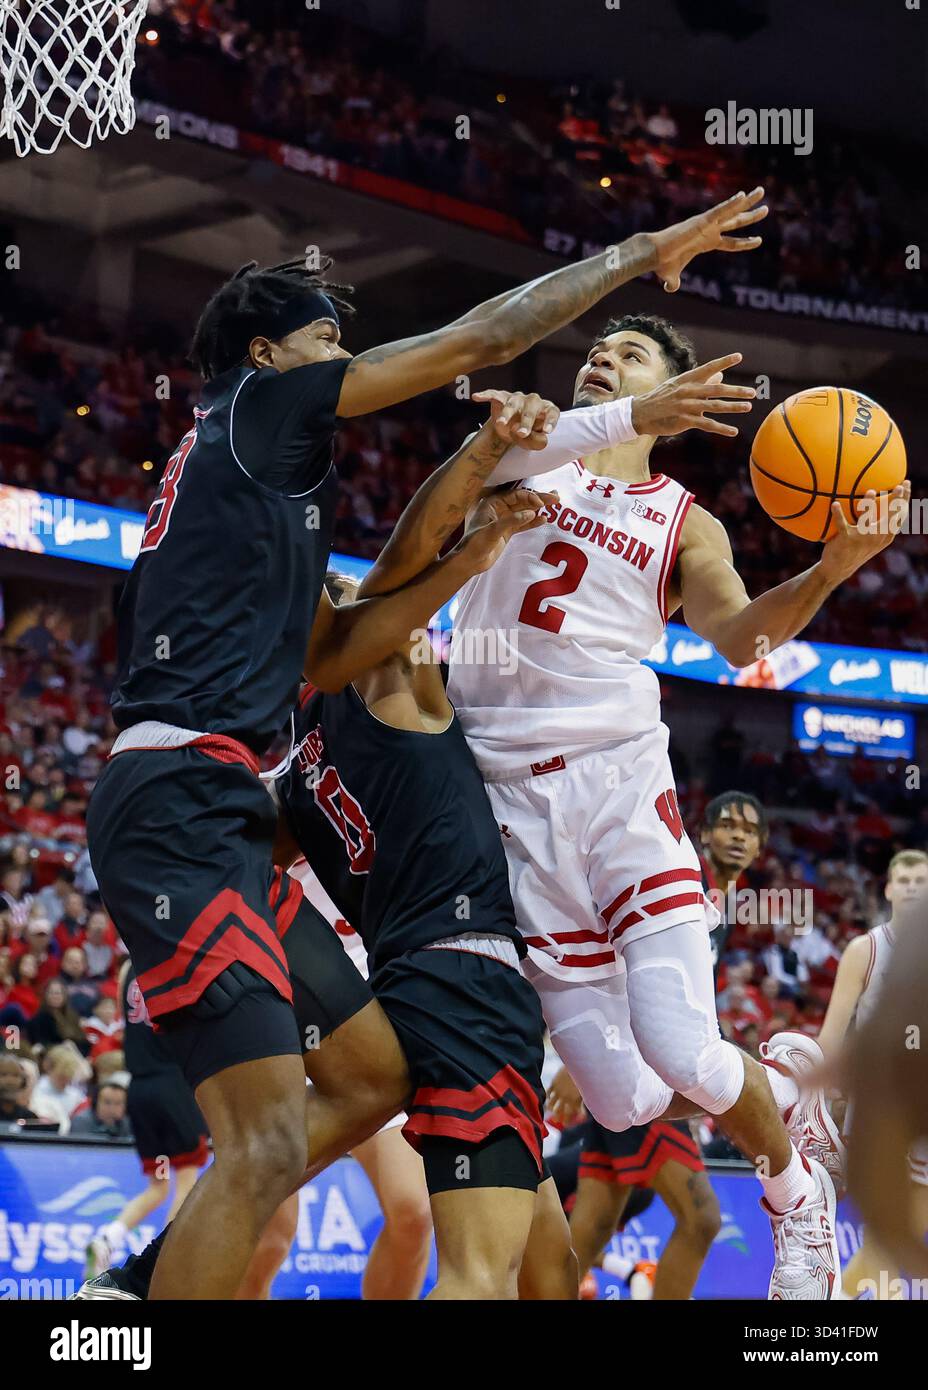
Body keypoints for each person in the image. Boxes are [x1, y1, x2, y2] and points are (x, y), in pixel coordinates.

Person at [85, 191, 769, 1300]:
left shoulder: (267, 490)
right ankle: (127, 1305)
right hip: (190, 799)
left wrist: (468, 560)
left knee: (371, 1081)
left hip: (221, 807)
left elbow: (333, 656)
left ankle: (142, 1278)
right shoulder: (258, 410)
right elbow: (482, 340)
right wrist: (646, 251)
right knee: (292, 1158)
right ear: (267, 355)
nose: (342, 357)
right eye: (324, 339)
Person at [447, 313, 909, 1298]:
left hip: (618, 785)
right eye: (596, 350)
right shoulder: (525, 448)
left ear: (670, 392)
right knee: (622, 1098)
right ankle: (787, 1084)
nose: (600, 359)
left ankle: (795, 1198)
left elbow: (740, 641)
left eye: (630, 354)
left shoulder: (685, 522)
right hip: (504, 801)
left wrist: (829, 569)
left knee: (685, 1052)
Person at [544, 792, 766, 1299]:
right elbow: (619, 956)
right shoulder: (684, 879)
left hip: (642, 1066)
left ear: (760, 846)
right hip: (638, 1066)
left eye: (750, 830)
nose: (738, 835)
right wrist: (581, 1061)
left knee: (595, 1227)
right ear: (703, 834)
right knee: (702, 1219)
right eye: (727, 825)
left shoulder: (722, 905)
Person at [806, 851, 928, 1297]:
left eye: (922, 881)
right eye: (905, 880)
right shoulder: (866, 949)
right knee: (890, 1232)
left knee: (900, 1233)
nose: (913, 888)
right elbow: (831, 1035)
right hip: (883, 1102)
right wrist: (814, 1105)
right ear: (890, 890)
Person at [0, 1055, 37, 1123]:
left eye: (15, 1075)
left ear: (23, 1082)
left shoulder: (29, 1117)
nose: (10, 1081)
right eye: (3, 1074)